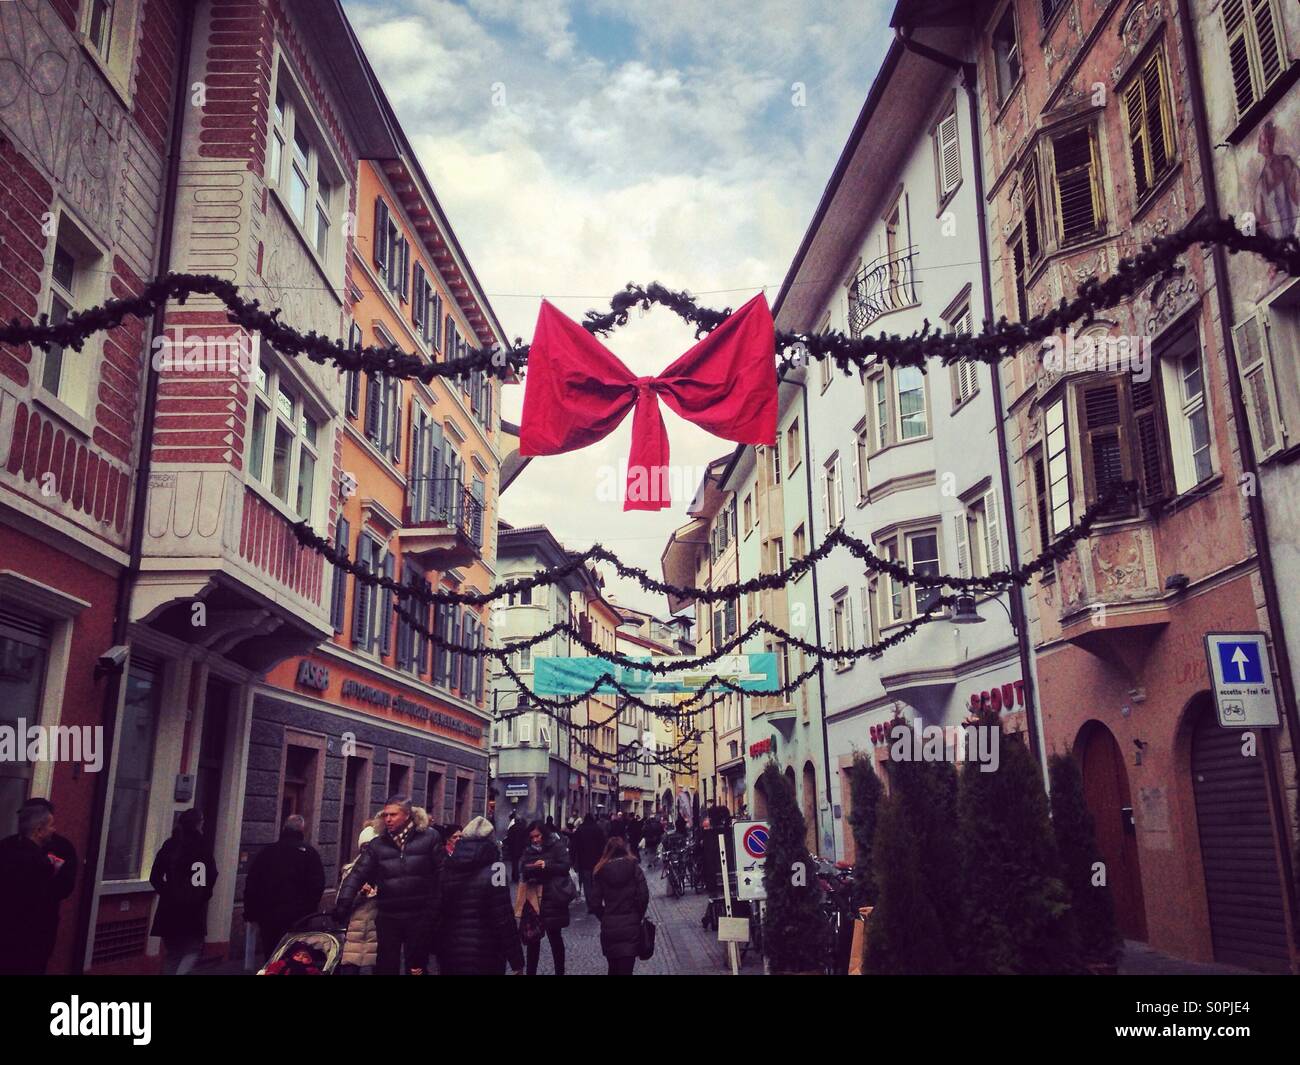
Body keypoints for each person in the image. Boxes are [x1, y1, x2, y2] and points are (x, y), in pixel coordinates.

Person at [334, 796, 443, 976]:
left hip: (419, 915)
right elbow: (358, 873)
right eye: (385, 815)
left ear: (407, 815)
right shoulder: (378, 844)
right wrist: (343, 902)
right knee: (385, 965)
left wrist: (436, 907)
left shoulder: (429, 837)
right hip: (388, 915)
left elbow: (442, 873)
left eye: (393, 815)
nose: (388, 819)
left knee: (416, 965)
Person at [437, 816, 523, 976]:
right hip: (487, 952)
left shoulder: (449, 865)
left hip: (451, 951)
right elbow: (504, 918)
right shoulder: (497, 869)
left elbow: (436, 911)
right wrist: (516, 961)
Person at [243, 814, 326, 960]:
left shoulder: (267, 852)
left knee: (271, 953)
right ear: (302, 830)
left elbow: (252, 882)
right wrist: (309, 909)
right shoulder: (309, 854)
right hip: (297, 916)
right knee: (292, 955)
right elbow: (317, 885)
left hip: (268, 914)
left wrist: (250, 912)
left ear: (283, 828)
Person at [148, 808, 217, 975]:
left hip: (169, 907)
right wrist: (202, 895)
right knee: (192, 950)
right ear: (198, 824)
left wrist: (168, 892)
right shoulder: (201, 846)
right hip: (192, 907)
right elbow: (208, 875)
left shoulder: (170, 844)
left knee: (172, 953)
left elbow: (155, 876)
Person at [0, 803, 61, 975]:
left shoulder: (5, 849)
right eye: (50, 826)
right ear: (39, 830)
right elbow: (41, 902)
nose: (53, 830)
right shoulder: (39, 863)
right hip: (29, 940)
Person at [518, 820, 573, 975]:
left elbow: (565, 866)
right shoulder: (528, 850)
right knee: (532, 939)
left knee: (555, 938)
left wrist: (546, 865)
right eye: (532, 837)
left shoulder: (556, 846)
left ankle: (560, 972)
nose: (535, 839)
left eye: (538, 836)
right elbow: (523, 868)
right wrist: (530, 869)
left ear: (544, 834)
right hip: (534, 898)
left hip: (552, 897)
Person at [589, 835, 649, 975]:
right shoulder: (633, 867)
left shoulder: (600, 871)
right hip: (630, 925)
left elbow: (594, 902)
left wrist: (604, 916)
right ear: (624, 849)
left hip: (610, 926)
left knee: (613, 968)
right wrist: (637, 914)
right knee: (627, 969)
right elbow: (643, 895)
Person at [336, 824, 380, 975]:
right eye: (364, 847)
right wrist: (359, 894)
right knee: (350, 969)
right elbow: (341, 903)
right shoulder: (350, 871)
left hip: (376, 934)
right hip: (353, 933)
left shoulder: (386, 870)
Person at [572, 813, 604, 906]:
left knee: (587, 884)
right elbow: (603, 844)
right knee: (596, 882)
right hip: (597, 861)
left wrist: (573, 859)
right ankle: (596, 901)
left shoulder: (580, 829)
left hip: (584, 861)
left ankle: (590, 903)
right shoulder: (598, 829)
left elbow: (574, 845)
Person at [505, 813, 528, 883]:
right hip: (521, 847)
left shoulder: (512, 828)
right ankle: (520, 875)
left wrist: (507, 845)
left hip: (513, 848)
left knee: (514, 863)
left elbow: (509, 838)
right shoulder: (523, 828)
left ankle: (515, 876)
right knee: (521, 861)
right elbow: (526, 838)